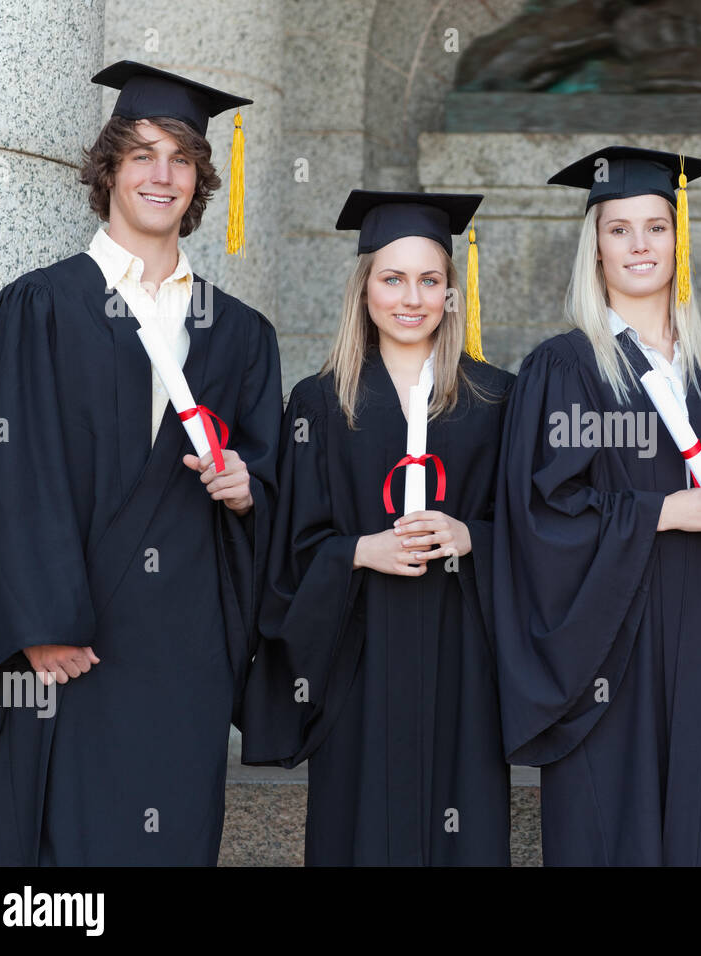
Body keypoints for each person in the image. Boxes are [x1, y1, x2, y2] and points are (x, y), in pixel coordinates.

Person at [0, 61, 282, 865]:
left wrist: (247, 493)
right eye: (140, 154)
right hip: (64, 648)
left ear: (202, 180)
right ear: (108, 172)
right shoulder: (40, 307)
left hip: (184, 652)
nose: (161, 174)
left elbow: (276, 484)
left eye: (180, 157)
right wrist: (37, 627)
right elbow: (2, 473)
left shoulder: (238, 333)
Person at [493, 146, 701, 865]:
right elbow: (538, 516)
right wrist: (663, 512)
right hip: (607, 654)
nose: (640, 244)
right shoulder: (564, 365)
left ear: (681, 241)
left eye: (656, 227)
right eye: (619, 229)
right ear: (596, 249)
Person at [241, 191, 513, 865]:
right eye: (392, 279)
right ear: (364, 290)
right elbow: (288, 551)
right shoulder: (319, 403)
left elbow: (540, 533)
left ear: (453, 292)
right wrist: (359, 550)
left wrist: (474, 536)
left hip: (463, 658)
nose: (411, 298)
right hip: (357, 661)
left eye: (430, 280)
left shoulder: (496, 400)